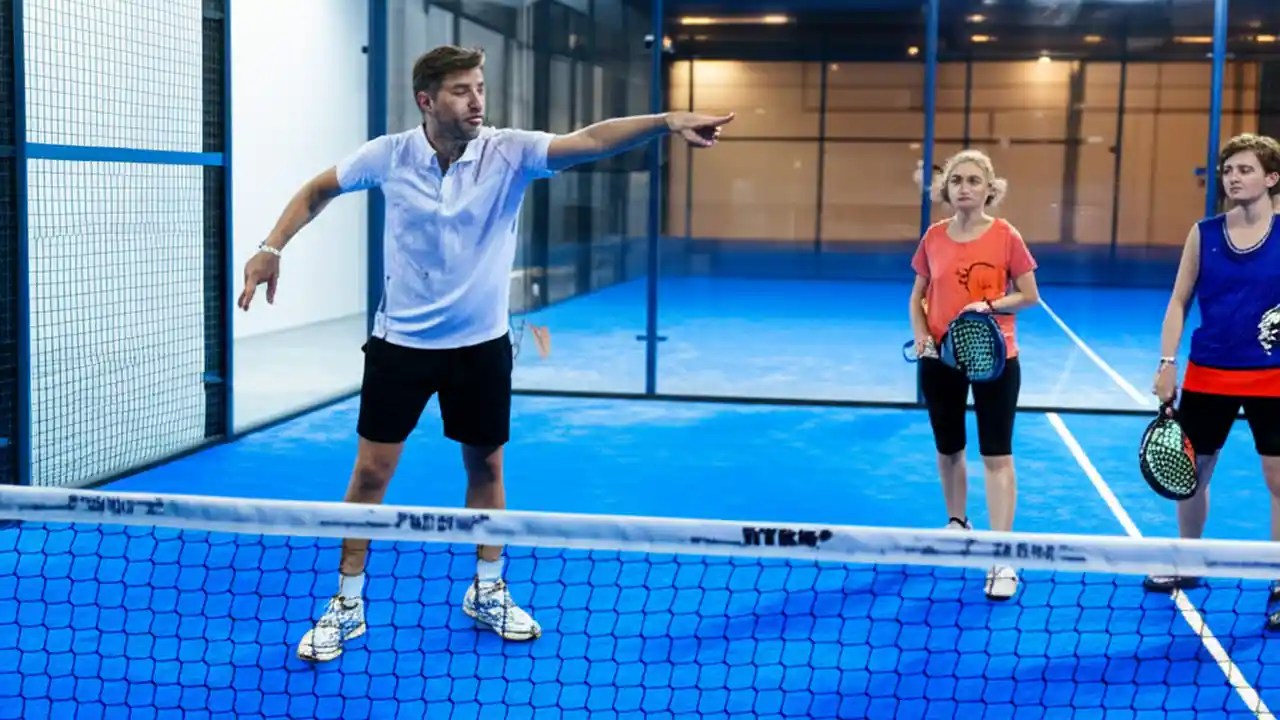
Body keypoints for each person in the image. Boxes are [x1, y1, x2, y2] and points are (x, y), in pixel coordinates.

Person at [236, 45, 735, 662]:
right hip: (401, 347)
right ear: (427, 100)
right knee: (369, 474)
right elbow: (317, 190)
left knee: (487, 470)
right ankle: (347, 601)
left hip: (481, 348)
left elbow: (591, 140)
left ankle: (488, 588)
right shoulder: (389, 156)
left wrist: (665, 121)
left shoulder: (510, 151)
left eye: (480, 88)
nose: (477, 101)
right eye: (461, 91)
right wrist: (271, 247)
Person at [1146, 133, 1280, 630]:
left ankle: (1279, 575)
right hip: (1209, 372)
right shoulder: (1204, 233)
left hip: (1274, 378)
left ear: (1271, 178)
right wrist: (1166, 363)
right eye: (1228, 170)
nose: (1233, 177)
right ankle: (1189, 560)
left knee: (1279, 479)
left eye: (1244, 169)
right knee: (1192, 475)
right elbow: (1179, 301)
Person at [907, 149, 1041, 601]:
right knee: (948, 449)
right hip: (940, 359)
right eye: (956, 180)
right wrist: (923, 337)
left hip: (995, 359)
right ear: (945, 189)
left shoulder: (1006, 236)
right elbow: (918, 297)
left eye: (973, 181)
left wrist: (988, 306)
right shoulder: (933, 237)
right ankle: (957, 523)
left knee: (996, 456)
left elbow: (1029, 295)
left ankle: (1001, 556)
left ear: (989, 189)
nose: (964, 187)